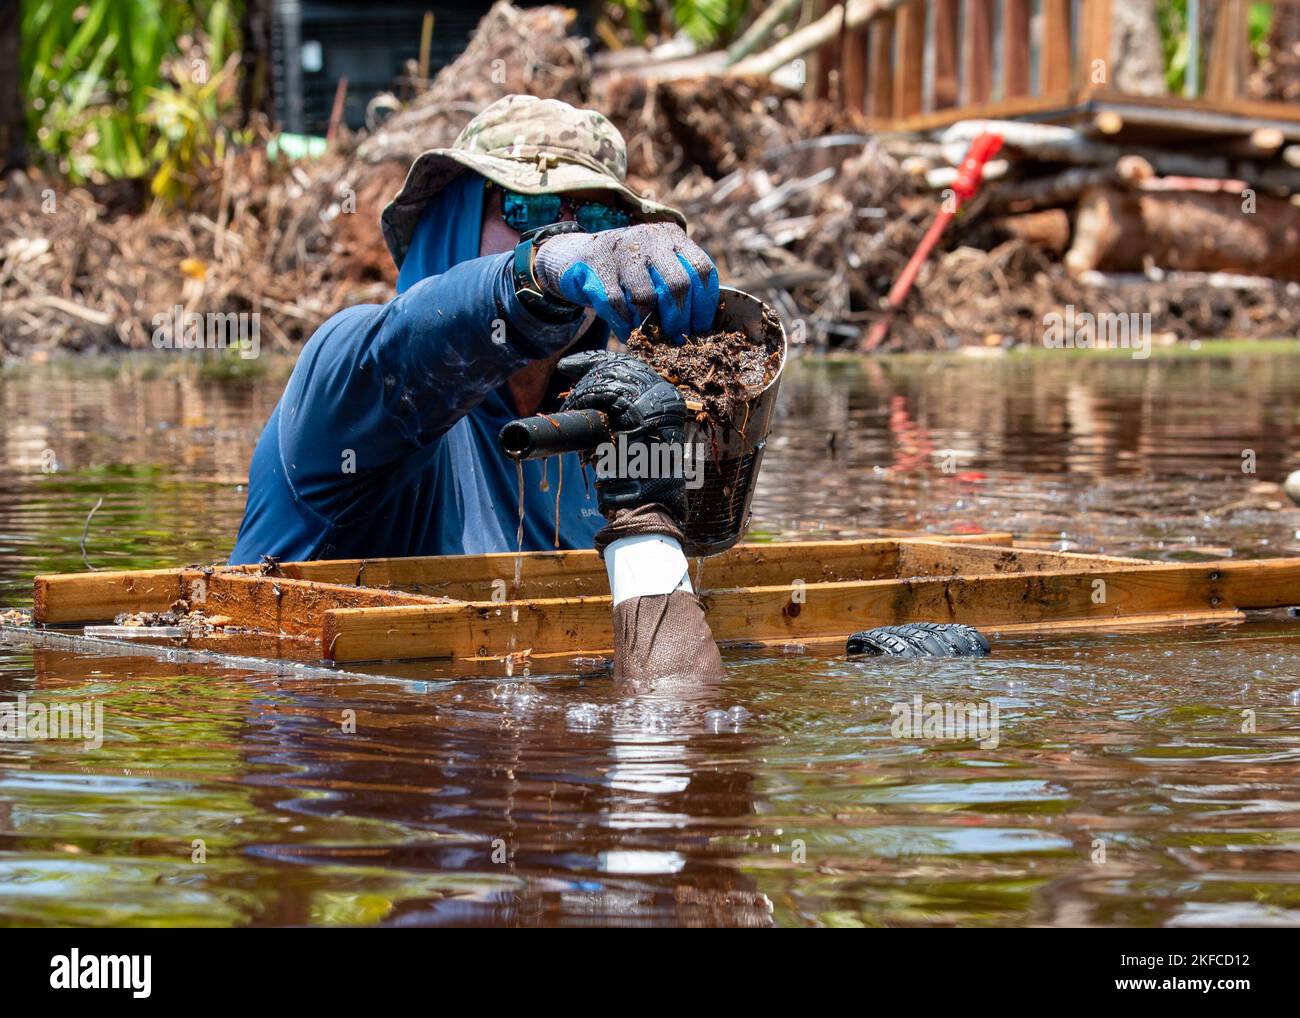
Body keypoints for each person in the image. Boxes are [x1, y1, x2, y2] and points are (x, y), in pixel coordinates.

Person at [230, 95, 724, 690]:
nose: (563, 231)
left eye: (595, 220)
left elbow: (672, 679)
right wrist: (535, 272)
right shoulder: (345, 379)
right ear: (450, 221)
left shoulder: (613, 421)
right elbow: (415, 342)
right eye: (527, 209)